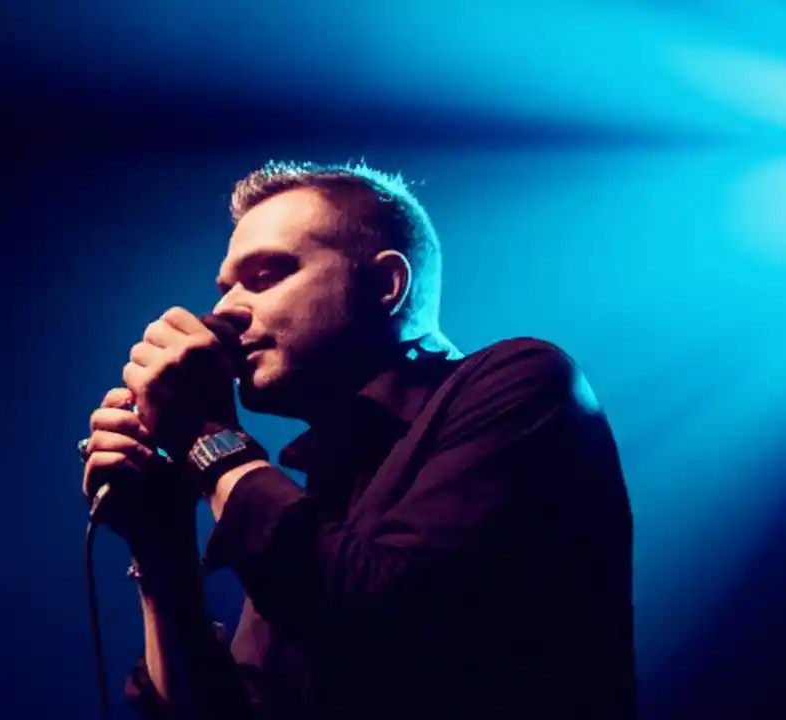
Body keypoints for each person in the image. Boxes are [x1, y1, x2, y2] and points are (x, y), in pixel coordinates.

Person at [79, 161, 637, 719]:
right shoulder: (314, 508)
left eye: (265, 275)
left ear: (384, 285)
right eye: (225, 289)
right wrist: (162, 543)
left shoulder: (525, 382)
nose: (224, 311)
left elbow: (385, 623)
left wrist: (208, 435)